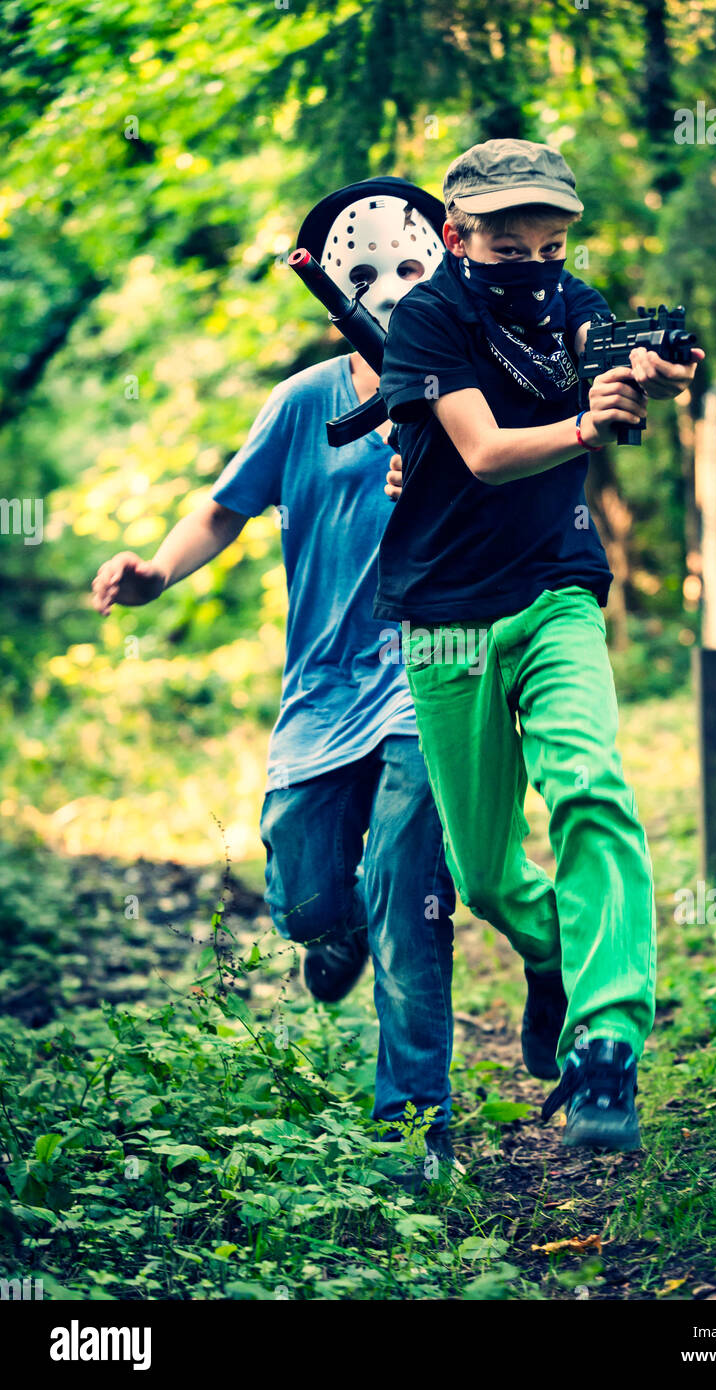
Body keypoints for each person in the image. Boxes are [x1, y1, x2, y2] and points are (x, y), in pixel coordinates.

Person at [91, 177, 458, 1173]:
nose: (388, 288)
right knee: (305, 891)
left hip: (431, 673)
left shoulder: (467, 391)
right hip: (321, 689)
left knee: (403, 886)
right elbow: (224, 506)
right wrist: (156, 569)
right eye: (367, 272)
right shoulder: (300, 404)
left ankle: (416, 1121)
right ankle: (327, 938)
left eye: (410, 267)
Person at [373, 139, 705, 1151]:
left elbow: (624, 370)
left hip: (556, 591)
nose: (533, 262)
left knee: (590, 787)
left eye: (551, 243)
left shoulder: (577, 305)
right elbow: (478, 452)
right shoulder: (428, 317)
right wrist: (581, 429)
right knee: (480, 875)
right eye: (507, 246)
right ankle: (555, 955)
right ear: (453, 236)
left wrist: (652, 371)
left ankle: (604, 1046)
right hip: (443, 614)